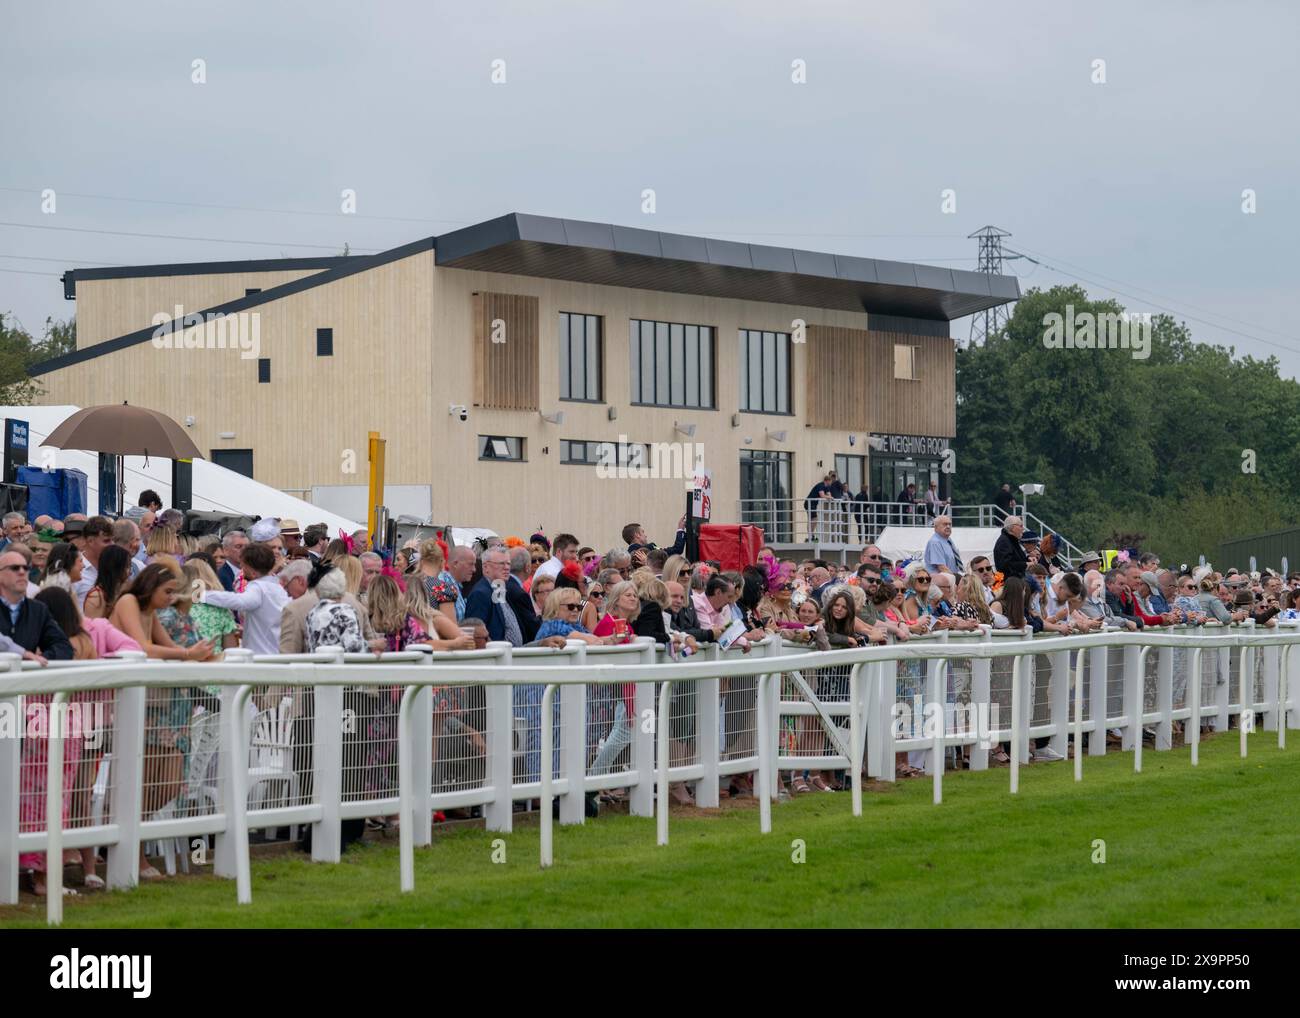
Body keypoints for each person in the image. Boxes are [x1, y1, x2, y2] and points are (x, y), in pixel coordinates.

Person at [196, 544, 288, 655]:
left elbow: (240, 601)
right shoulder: (277, 587)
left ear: (253, 572)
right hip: (274, 652)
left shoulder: (258, 587)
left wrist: (202, 595)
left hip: (262, 657)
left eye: (243, 566)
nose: (241, 570)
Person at [0, 547, 74, 660]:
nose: (21, 572)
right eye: (14, 568)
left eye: (26, 568)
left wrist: (39, 660)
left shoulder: (38, 610)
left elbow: (63, 646)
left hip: (25, 676)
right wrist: (25, 656)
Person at [81, 545, 132, 621]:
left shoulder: (125, 588)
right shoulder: (96, 597)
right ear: (116, 568)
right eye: (127, 566)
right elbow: (94, 630)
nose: (130, 572)